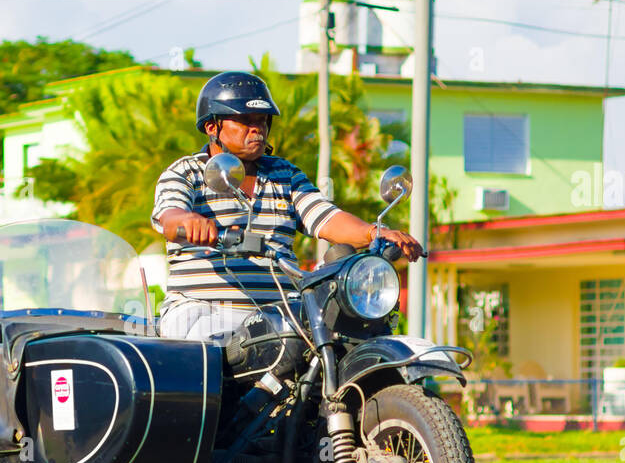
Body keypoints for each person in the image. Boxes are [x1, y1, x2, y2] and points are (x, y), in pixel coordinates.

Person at [152, 70, 425, 340]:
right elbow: (170, 216)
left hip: (279, 313)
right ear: (213, 127)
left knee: (337, 346)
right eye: (245, 120)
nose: (256, 128)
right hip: (203, 309)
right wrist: (190, 223)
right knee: (208, 356)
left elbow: (324, 216)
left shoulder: (284, 174)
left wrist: (375, 233)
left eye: (262, 120)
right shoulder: (186, 172)